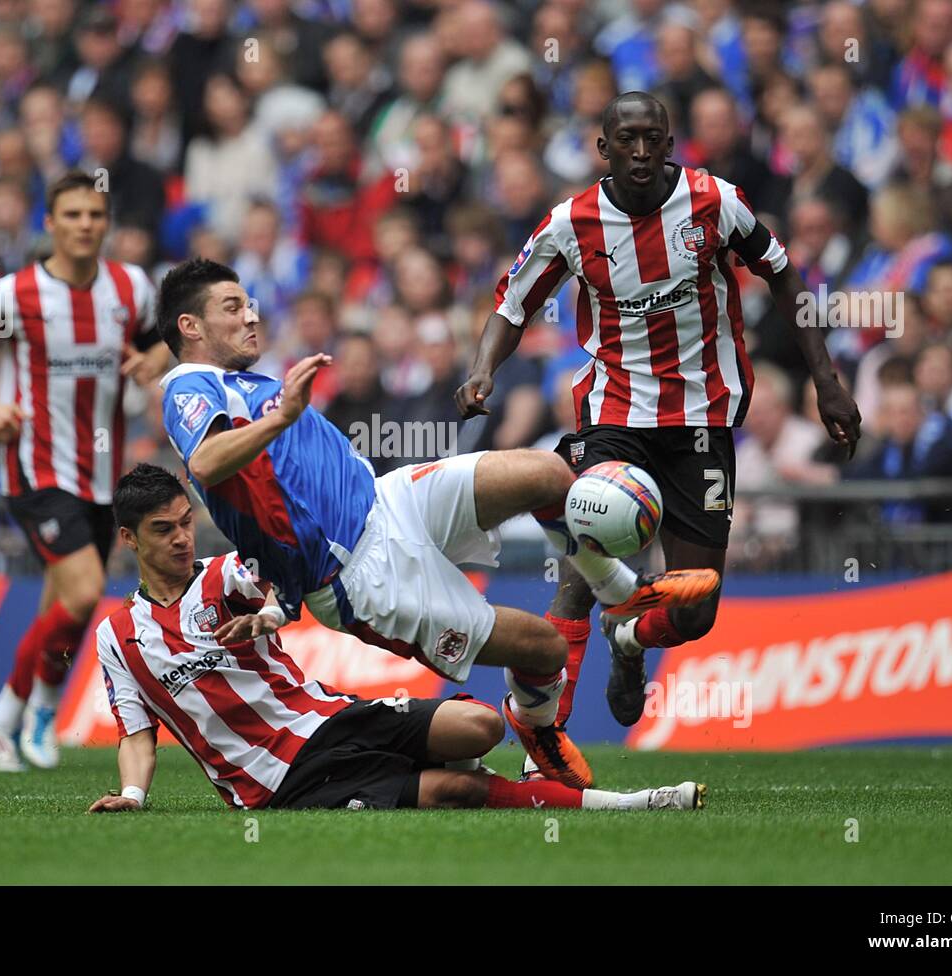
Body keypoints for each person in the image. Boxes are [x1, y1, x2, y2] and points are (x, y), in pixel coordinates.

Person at [154, 257, 718, 790]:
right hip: (363, 577)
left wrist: (280, 592)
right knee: (544, 650)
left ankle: (620, 591)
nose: (251, 314)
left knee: (548, 472)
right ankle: (537, 727)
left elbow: (274, 501)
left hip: (385, 500)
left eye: (249, 303)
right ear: (191, 326)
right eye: (231, 307)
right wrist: (285, 416)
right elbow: (205, 462)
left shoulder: (246, 382)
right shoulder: (188, 386)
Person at [455, 92, 861, 775]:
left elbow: (785, 276)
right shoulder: (571, 222)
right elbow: (512, 302)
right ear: (602, 148)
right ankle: (543, 744)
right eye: (627, 140)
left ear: (669, 144)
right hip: (614, 415)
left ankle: (631, 638)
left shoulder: (714, 203)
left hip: (701, 421)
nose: (641, 152)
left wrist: (826, 378)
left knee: (696, 603)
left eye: (653, 139)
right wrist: (480, 371)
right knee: (584, 567)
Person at [88, 463, 706, 814]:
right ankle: (633, 804)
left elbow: (277, 583)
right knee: (457, 789)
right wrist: (135, 795)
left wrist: (274, 610)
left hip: (330, 719)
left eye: (186, 522)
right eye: (162, 529)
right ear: (128, 539)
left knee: (480, 726)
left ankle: (492, 773)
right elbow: (137, 734)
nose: (180, 538)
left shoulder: (224, 576)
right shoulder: (119, 638)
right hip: (277, 784)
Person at [0, 170, 168, 772]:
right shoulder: (16, 292)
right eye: (73, 215)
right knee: (83, 594)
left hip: (104, 474)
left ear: (106, 224)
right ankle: (15, 715)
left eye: (95, 215)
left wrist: (147, 361)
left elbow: (165, 342)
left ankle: (18, 721)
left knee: (62, 607)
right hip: (35, 466)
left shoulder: (130, 287)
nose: (85, 225)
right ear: (50, 223)